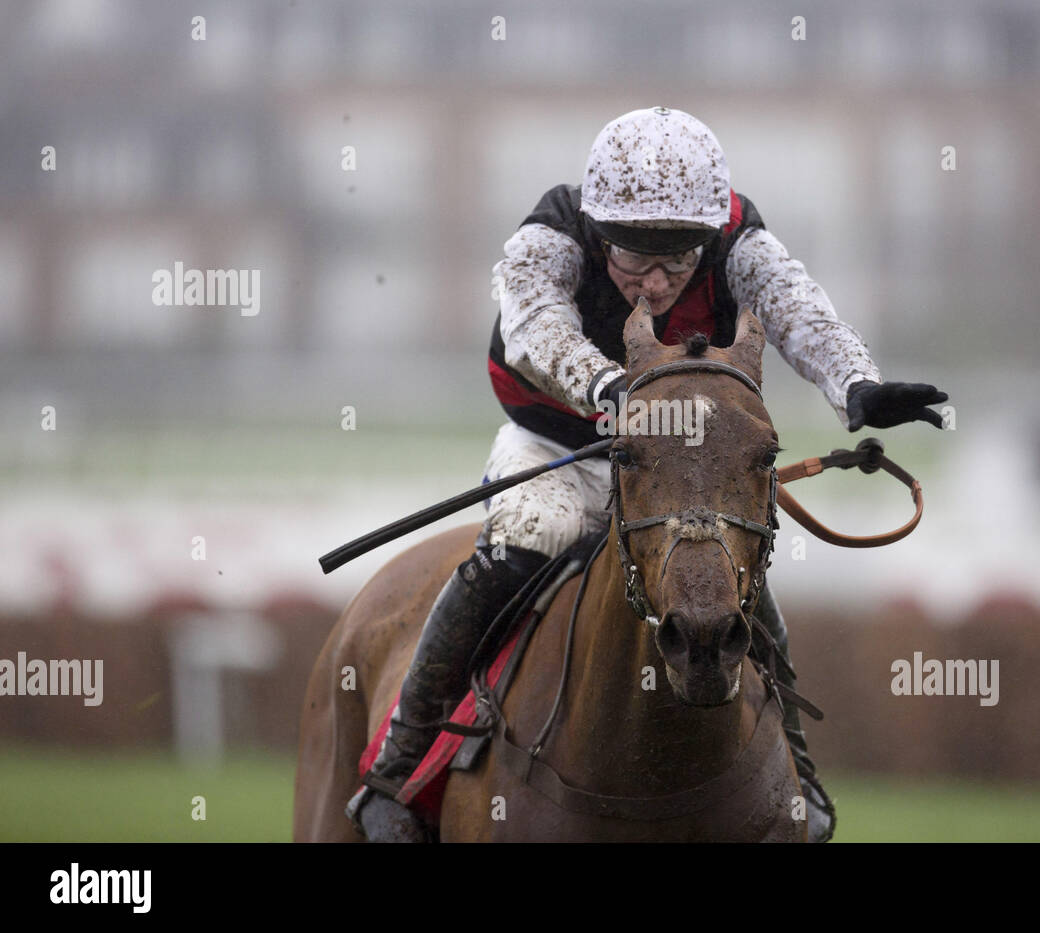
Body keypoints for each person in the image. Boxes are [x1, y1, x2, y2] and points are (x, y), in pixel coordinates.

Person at [348, 106, 948, 842]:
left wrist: (858, 386)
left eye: (680, 260)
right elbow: (534, 325)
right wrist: (608, 388)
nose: (657, 284)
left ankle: (799, 772)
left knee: (738, 590)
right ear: (601, 232)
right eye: (636, 259)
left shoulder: (735, 237)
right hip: (556, 443)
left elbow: (798, 310)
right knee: (522, 543)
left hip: (675, 456)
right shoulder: (555, 231)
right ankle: (394, 769)